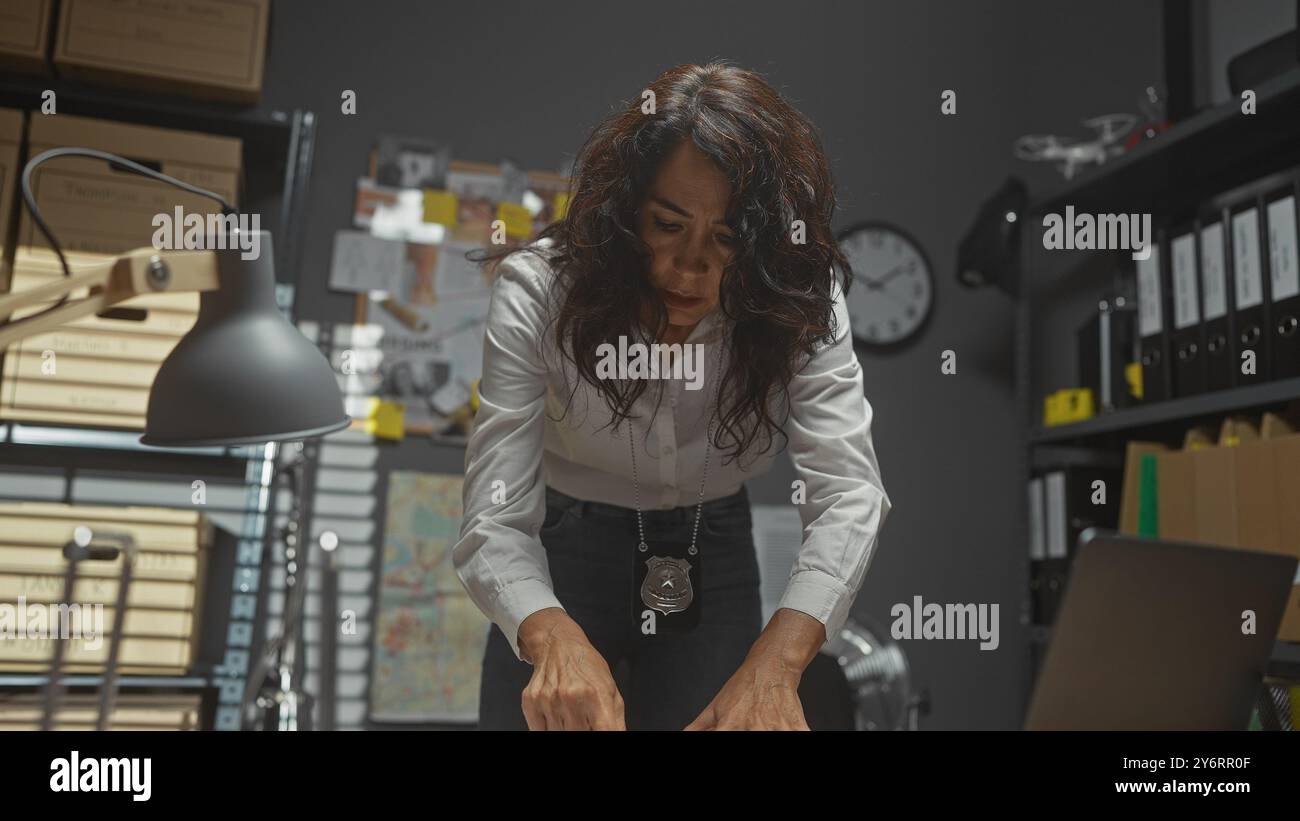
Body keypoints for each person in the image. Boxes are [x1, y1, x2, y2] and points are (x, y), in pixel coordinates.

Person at [454, 60, 891, 731]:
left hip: (709, 546)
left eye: (727, 238)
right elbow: (496, 513)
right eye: (667, 224)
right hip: (563, 546)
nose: (691, 265)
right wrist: (550, 634)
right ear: (626, 209)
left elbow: (848, 491)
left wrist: (777, 666)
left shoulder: (801, 297)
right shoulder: (539, 290)